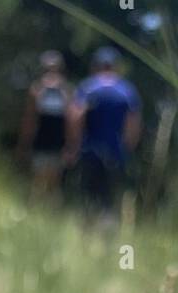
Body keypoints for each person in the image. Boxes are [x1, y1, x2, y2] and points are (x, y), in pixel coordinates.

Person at [67, 47, 141, 218]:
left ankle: (87, 233)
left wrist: (74, 145)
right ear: (115, 66)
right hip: (116, 152)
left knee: (88, 197)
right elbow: (133, 123)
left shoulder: (87, 87)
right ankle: (106, 235)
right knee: (109, 197)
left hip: (90, 150)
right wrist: (128, 148)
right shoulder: (127, 90)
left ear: (96, 66)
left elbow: (75, 116)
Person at [19, 51, 72, 198]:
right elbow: (70, 120)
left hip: (43, 140)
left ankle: (41, 212)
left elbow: (29, 119)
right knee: (53, 183)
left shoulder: (37, 89)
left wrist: (24, 142)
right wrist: (70, 143)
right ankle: (49, 213)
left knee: (39, 180)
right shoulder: (65, 91)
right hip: (55, 140)